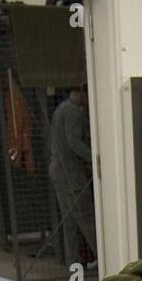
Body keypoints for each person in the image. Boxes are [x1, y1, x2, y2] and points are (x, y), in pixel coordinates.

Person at [48, 86, 97, 269]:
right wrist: (95, 158)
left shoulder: (61, 108)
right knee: (86, 216)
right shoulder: (74, 112)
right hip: (70, 172)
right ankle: (103, 256)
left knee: (69, 220)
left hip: (58, 169)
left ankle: (73, 261)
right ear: (80, 93)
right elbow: (74, 142)